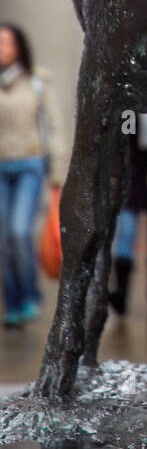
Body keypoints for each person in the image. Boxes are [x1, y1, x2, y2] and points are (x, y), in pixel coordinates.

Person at [0, 23, 67, 328]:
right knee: (3, 238)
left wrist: (58, 172)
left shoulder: (37, 81)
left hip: (30, 164)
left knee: (19, 231)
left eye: (7, 43)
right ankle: (12, 303)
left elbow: (53, 125)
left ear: (19, 47)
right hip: (1, 166)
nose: (2, 48)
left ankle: (30, 295)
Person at [108, 112, 147, 318]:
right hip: (133, 172)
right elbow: (123, 140)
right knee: (126, 231)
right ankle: (122, 294)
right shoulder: (129, 109)